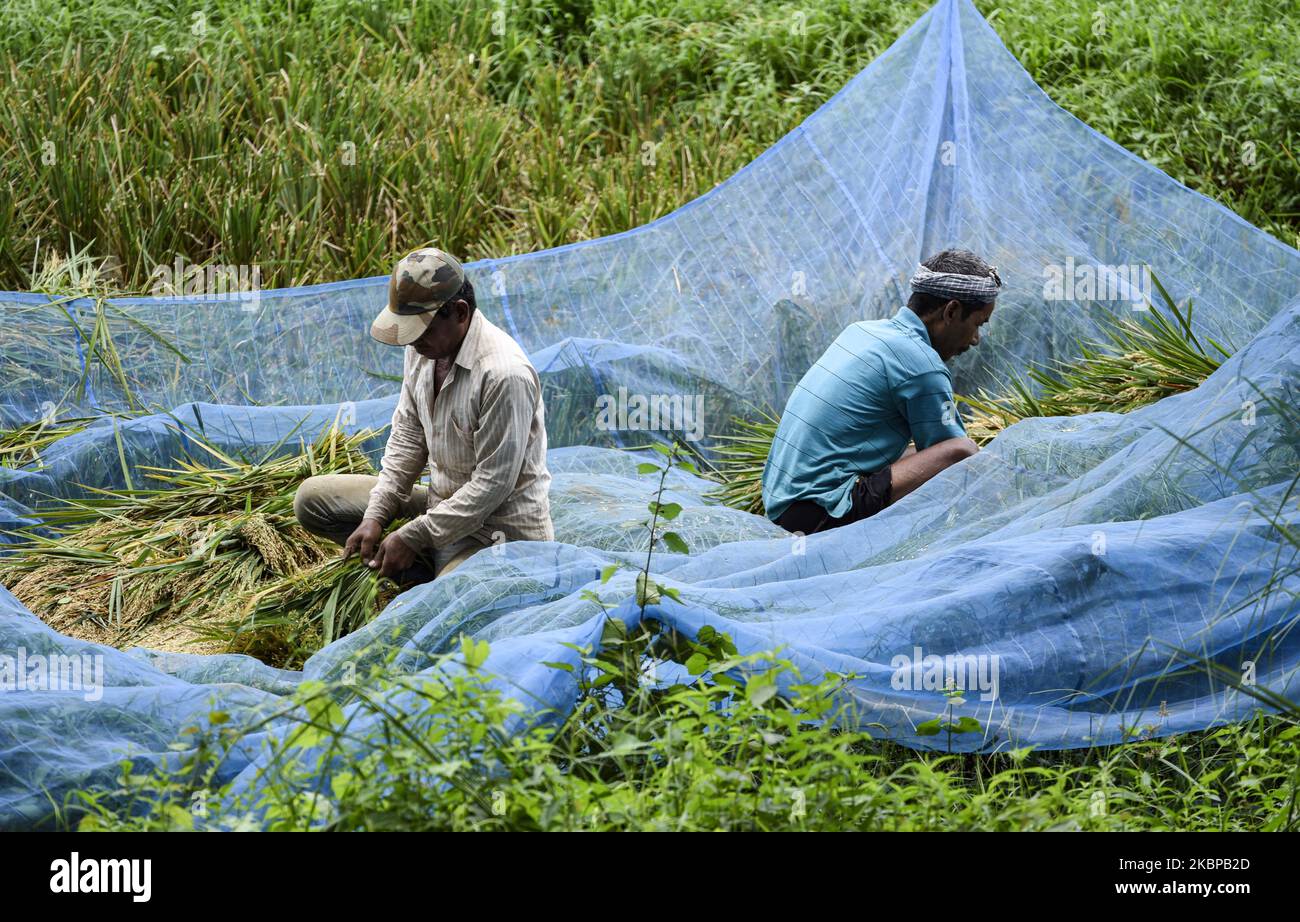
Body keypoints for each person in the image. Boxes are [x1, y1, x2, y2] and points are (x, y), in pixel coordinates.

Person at [294, 247, 553, 583]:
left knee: (445, 603)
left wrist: (415, 534)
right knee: (313, 501)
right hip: (438, 506)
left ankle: (432, 576)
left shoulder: (503, 375)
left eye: (422, 332)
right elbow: (407, 436)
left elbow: (492, 486)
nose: (413, 344)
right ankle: (416, 567)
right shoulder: (425, 350)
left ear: (460, 313)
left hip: (495, 535)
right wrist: (377, 514)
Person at [761, 248, 1000, 535]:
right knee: (961, 450)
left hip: (782, 505)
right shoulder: (921, 364)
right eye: (977, 324)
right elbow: (956, 457)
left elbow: (923, 454)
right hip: (820, 511)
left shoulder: (862, 331)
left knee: (918, 452)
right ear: (951, 311)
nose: (975, 340)